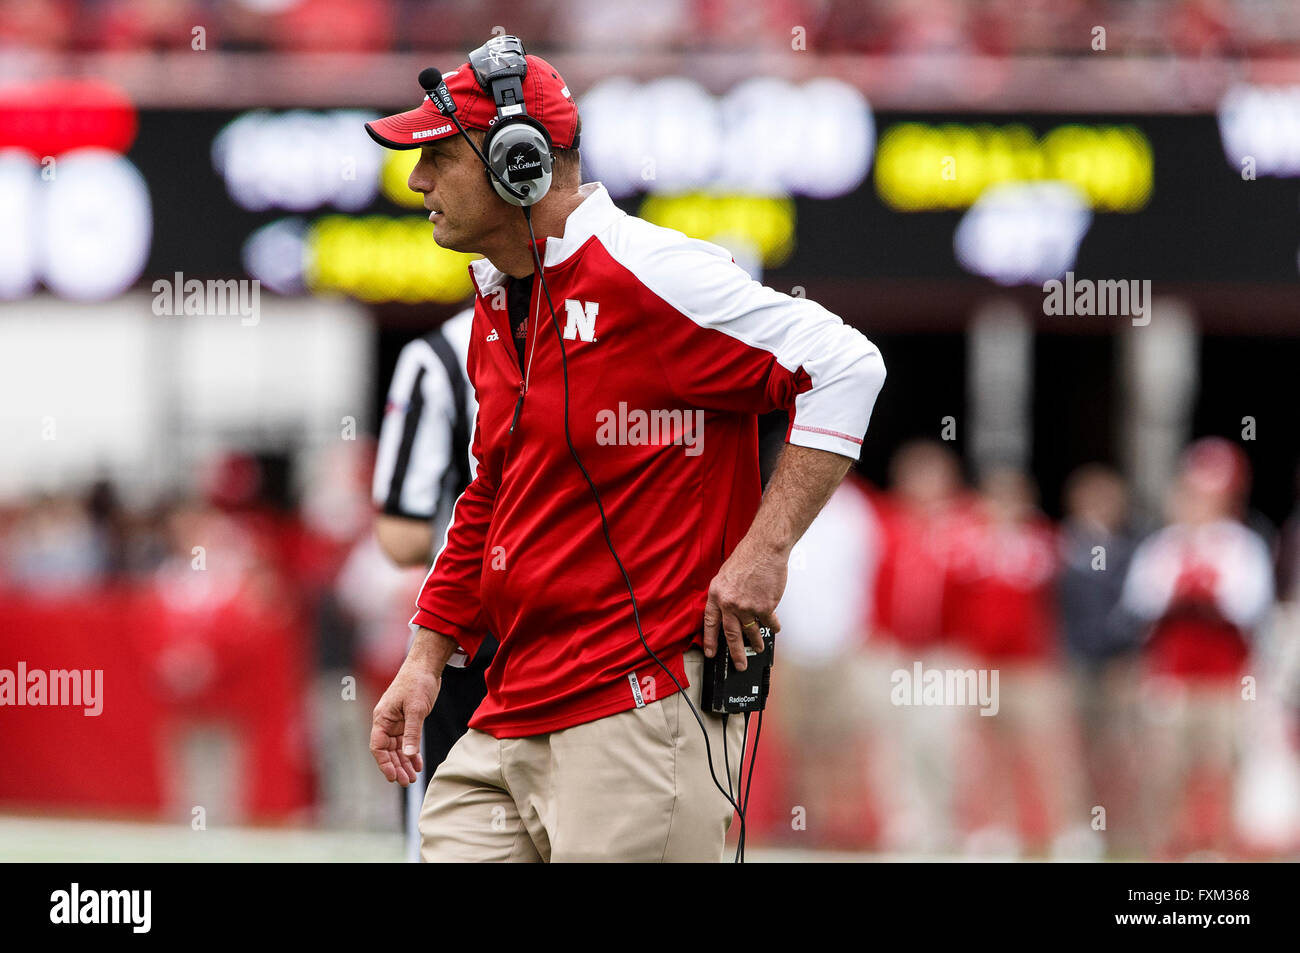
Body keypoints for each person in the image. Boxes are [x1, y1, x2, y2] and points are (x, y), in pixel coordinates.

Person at [364, 35, 887, 862]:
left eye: (438, 157)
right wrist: (426, 655)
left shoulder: (653, 273)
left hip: (637, 709)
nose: (416, 181)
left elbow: (848, 365)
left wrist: (764, 551)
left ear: (518, 164)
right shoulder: (498, 301)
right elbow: (490, 495)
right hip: (511, 705)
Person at [370, 307, 498, 860]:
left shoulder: (440, 356)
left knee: (449, 836)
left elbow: (401, 536)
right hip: (593, 628)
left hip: (467, 636)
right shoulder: (609, 320)